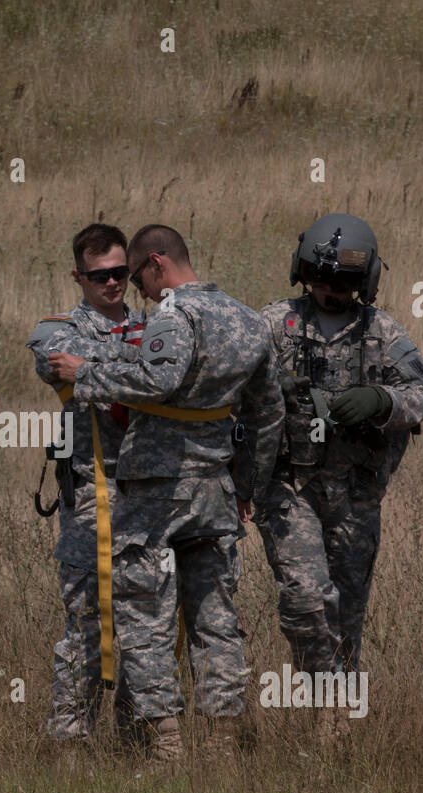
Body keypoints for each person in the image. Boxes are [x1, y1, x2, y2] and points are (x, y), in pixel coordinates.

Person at [48, 224, 284, 761]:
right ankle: (223, 744)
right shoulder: (250, 320)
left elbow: (156, 381)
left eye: (136, 278)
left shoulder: (175, 318)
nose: (137, 293)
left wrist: (86, 373)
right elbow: (268, 415)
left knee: (145, 616)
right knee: (216, 619)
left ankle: (167, 746)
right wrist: (247, 484)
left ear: (156, 264)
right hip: (216, 492)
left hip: (157, 491)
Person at [253, 213, 423, 731]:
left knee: (346, 613)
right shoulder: (275, 324)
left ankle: (334, 723)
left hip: (356, 495)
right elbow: (237, 387)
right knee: (307, 598)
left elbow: (421, 395)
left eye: (345, 282)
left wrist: (380, 400)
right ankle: (323, 698)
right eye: (322, 279)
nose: (331, 290)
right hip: (291, 489)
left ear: (365, 283)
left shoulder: (382, 331)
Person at [27, 223, 145, 743]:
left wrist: (97, 369)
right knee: (85, 624)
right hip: (90, 499)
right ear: (79, 276)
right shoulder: (57, 330)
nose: (113, 284)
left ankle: (137, 736)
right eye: (100, 276)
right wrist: (137, 366)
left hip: (147, 496)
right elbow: (57, 365)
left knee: (146, 625)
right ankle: (72, 739)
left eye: (121, 272)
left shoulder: (156, 324)